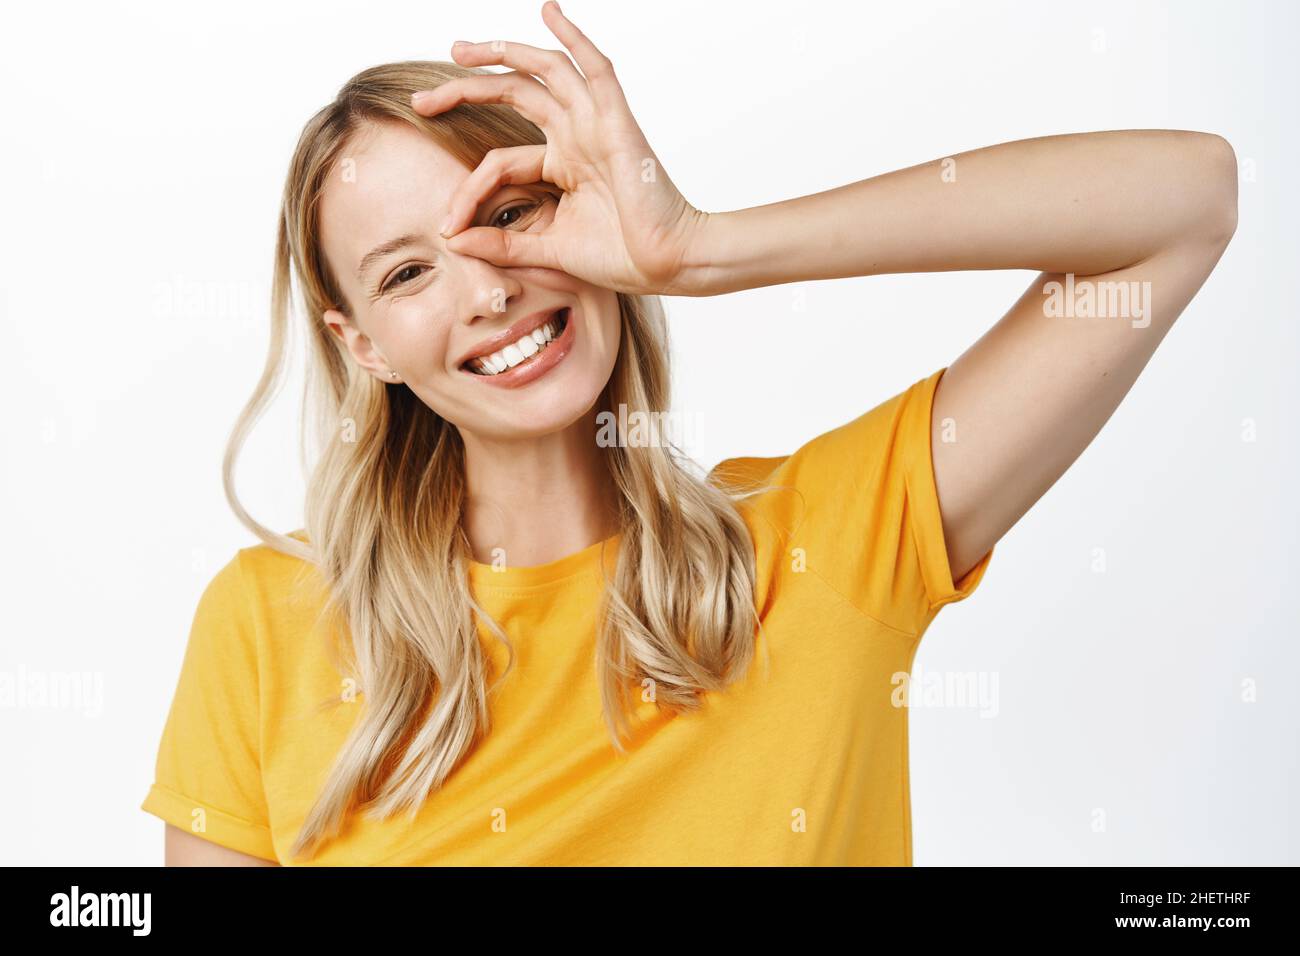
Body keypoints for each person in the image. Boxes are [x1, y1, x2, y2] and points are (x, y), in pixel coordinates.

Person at [141, 1, 1237, 865]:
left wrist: (702, 248)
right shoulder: (267, 624)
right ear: (363, 342)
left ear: (575, 209)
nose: (486, 291)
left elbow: (1183, 203)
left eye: (507, 214)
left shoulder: (825, 548)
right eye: (410, 272)